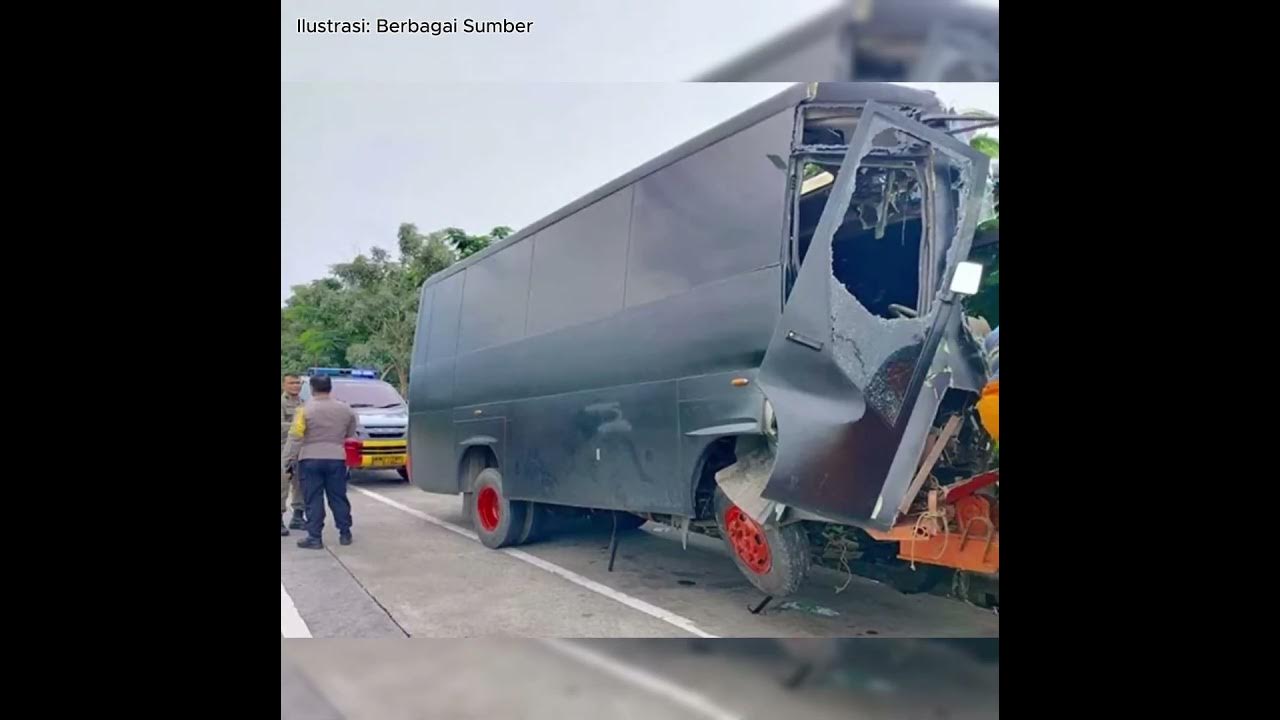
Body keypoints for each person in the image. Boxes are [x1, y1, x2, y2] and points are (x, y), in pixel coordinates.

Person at [285, 374, 359, 548]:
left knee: (313, 499)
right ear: (330, 388)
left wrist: (288, 459)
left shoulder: (304, 410)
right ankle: (345, 533)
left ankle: (315, 537)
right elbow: (350, 432)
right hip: (336, 459)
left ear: (311, 388)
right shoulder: (346, 409)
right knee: (338, 497)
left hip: (310, 459)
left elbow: (295, 437)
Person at [281, 374, 306, 536]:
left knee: (300, 483)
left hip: (300, 449)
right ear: (284, 385)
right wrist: (300, 424)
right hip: (284, 449)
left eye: (298, 383)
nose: (295, 386)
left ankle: (297, 517)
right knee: (283, 484)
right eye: (291, 383)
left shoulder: (304, 403)